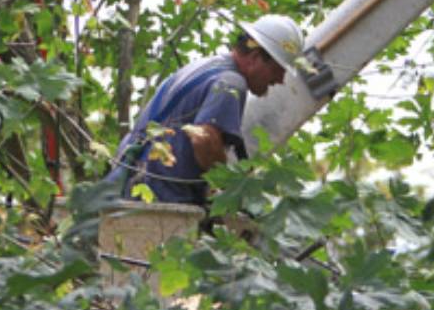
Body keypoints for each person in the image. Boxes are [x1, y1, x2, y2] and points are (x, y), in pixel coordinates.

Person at [108, 14, 303, 204]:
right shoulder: (231, 82)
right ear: (254, 58)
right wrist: (228, 191)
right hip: (160, 199)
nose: (280, 80)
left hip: (133, 184)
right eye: (278, 70)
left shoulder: (207, 65)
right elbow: (204, 140)